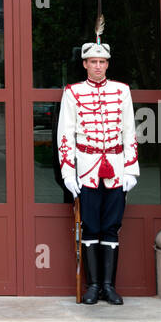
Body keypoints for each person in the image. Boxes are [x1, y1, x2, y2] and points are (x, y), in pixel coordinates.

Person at [57, 37, 138, 304]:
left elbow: (129, 132)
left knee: (112, 227)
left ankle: (108, 286)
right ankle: (92, 286)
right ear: (84, 64)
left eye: (102, 62)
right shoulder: (73, 92)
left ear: (107, 64)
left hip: (115, 168)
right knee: (90, 226)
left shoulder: (122, 90)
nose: (98, 67)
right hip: (87, 168)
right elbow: (65, 134)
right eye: (93, 62)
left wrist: (131, 170)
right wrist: (68, 173)